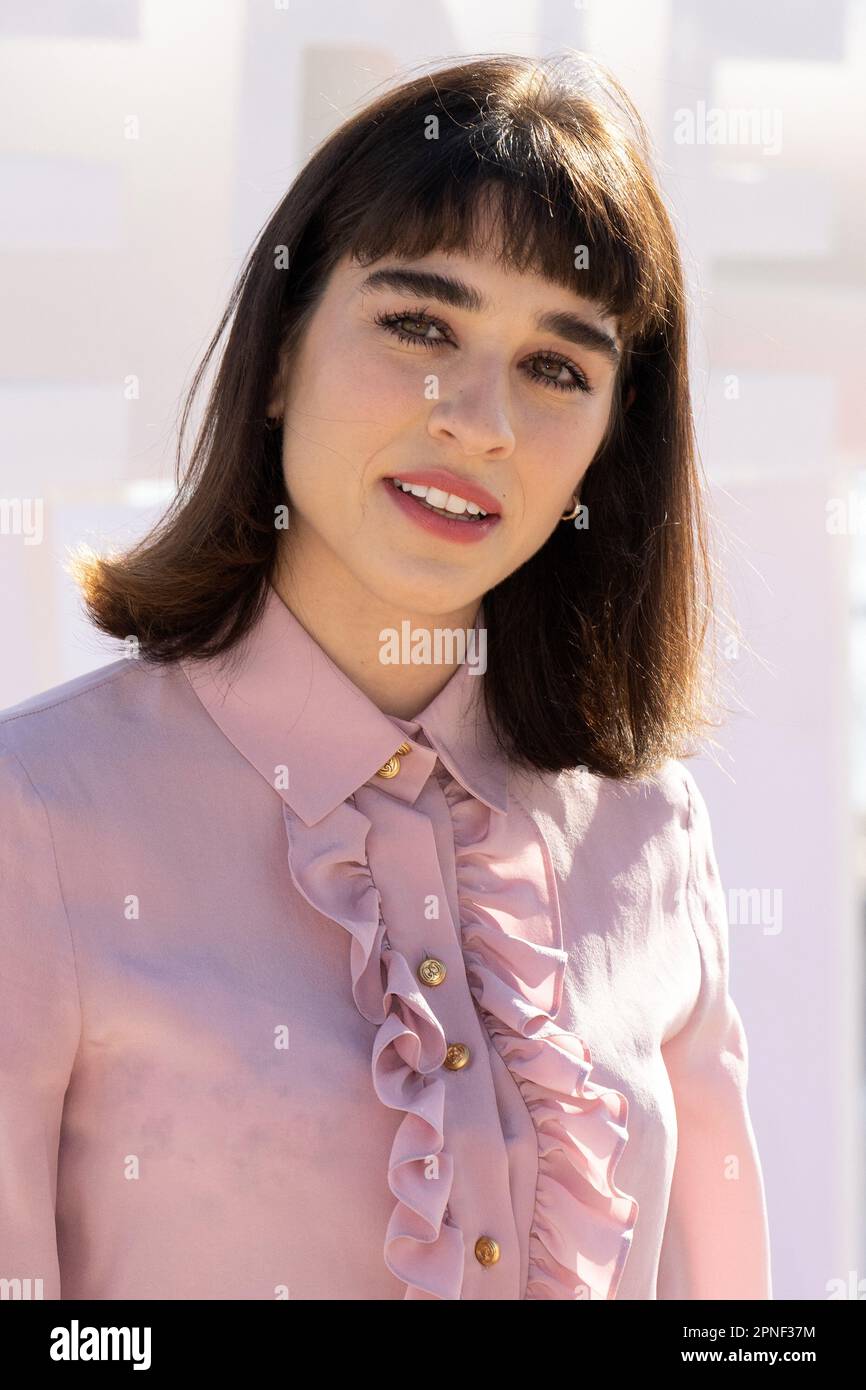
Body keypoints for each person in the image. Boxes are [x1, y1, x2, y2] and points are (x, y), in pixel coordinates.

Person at [0, 52, 772, 1301]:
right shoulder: (32, 817)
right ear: (279, 356)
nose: (479, 419)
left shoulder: (650, 833)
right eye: (420, 324)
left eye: (557, 367)